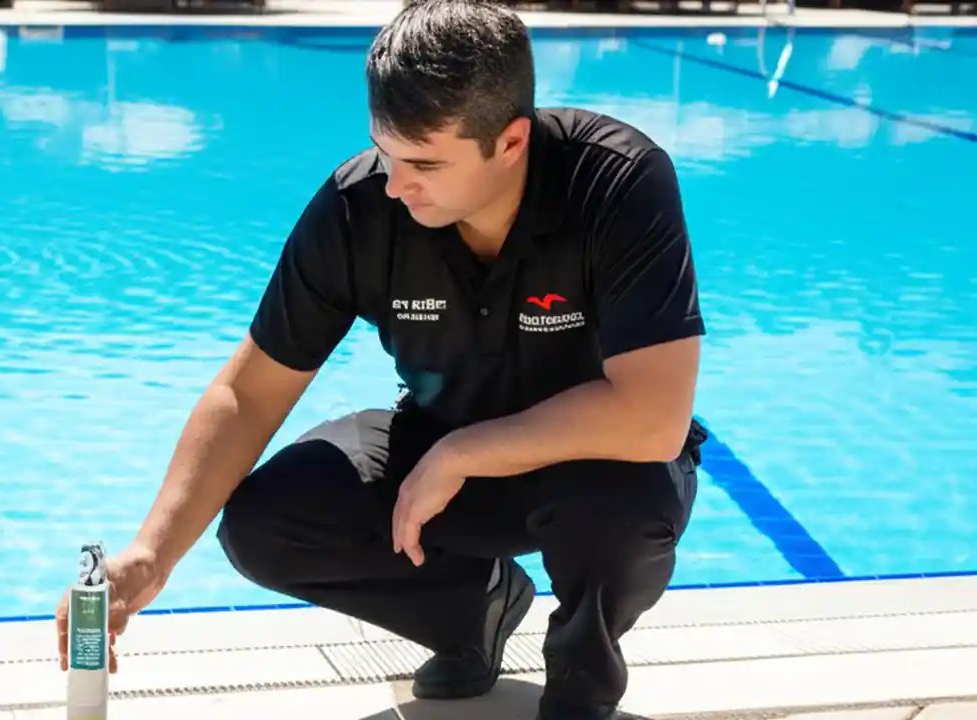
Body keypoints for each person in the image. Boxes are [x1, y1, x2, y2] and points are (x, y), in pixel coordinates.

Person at [56, 1, 707, 717]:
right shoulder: (361, 205)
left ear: (511, 142)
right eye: (387, 152)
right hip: (439, 454)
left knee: (621, 512)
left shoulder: (615, 183)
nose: (397, 185)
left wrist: (465, 451)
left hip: (593, 463)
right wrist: (152, 554)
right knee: (265, 523)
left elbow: (652, 419)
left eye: (425, 162)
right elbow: (249, 392)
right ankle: (473, 612)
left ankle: (580, 691)